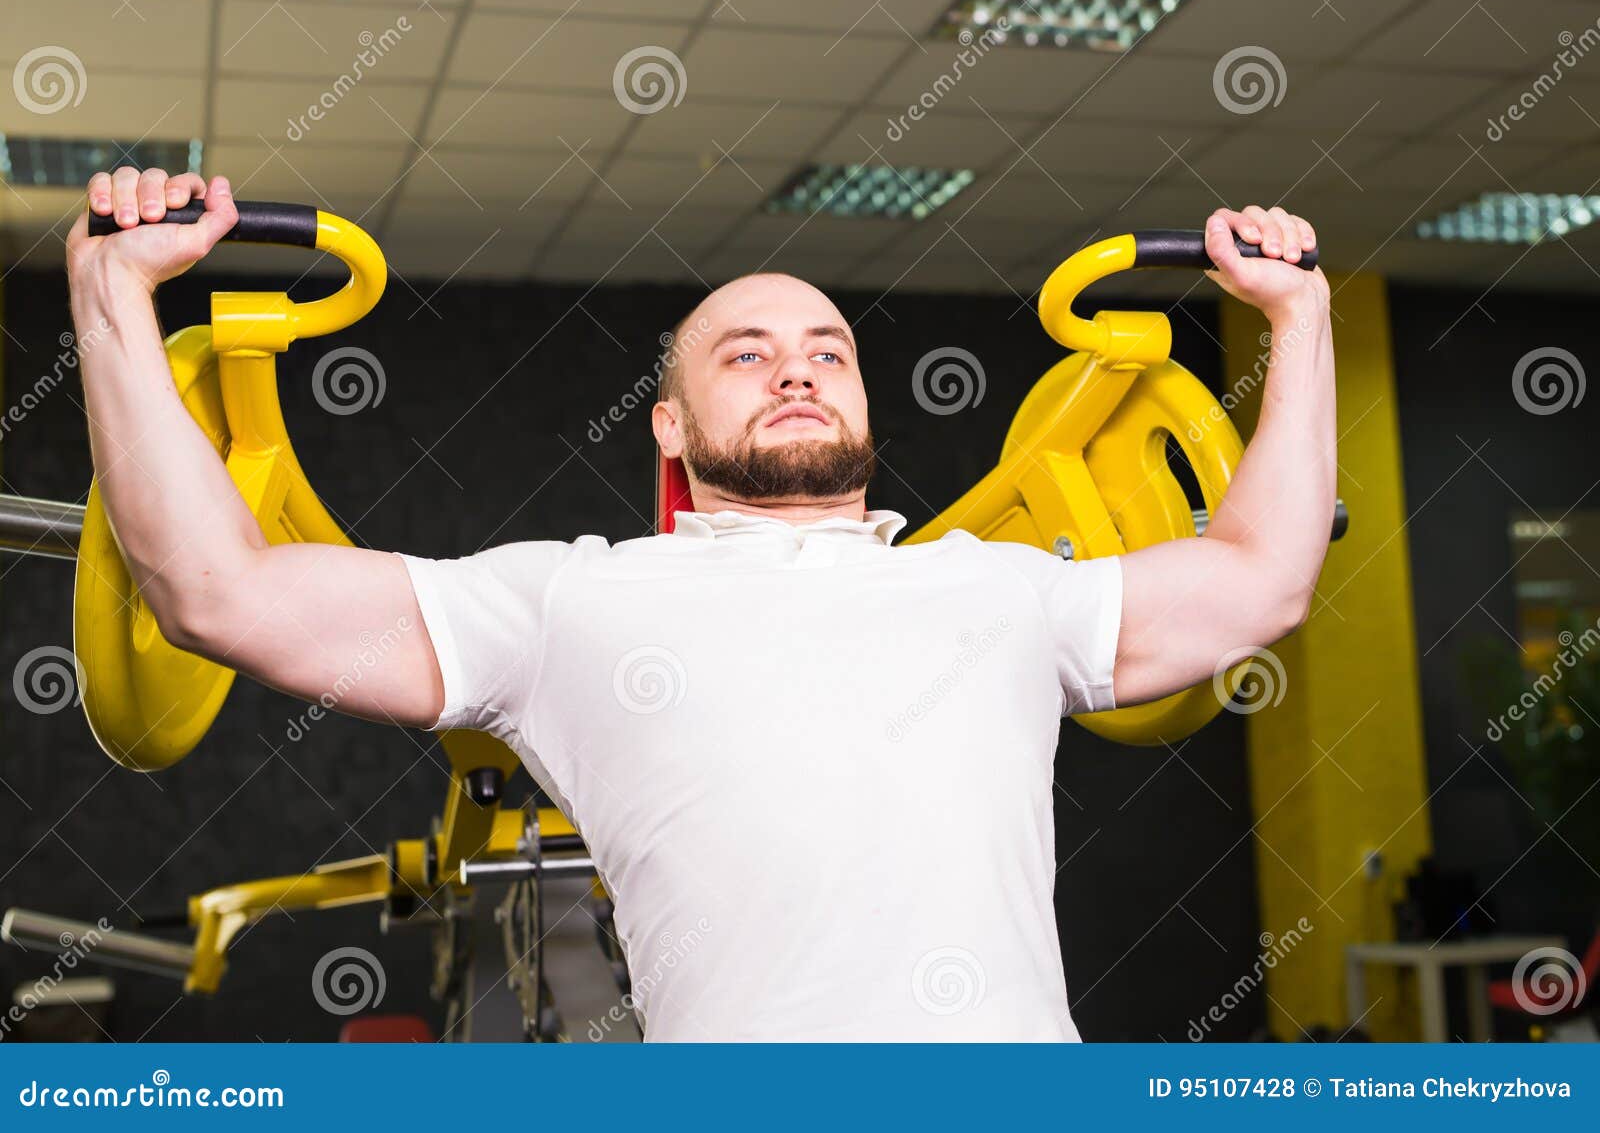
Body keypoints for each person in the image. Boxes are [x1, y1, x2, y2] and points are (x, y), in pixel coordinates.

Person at [66, 168, 1334, 1041]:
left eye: (827, 352)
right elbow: (217, 588)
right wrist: (113, 294)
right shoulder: (569, 602)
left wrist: (1300, 312)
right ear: (669, 426)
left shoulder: (1002, 586)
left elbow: (1261, 575)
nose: (796, 370)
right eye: (747, 354)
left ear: (863, 404)